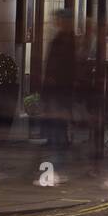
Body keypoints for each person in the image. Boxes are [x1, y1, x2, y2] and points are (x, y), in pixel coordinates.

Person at [42, 9, 76, 152]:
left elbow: (67, 62)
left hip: (62, 82)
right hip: (57, 81)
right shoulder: (61, 37)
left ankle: (61, 139)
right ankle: (55, 138)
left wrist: (55, 76)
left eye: (59, 20)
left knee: (60, 110)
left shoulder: (67, 39)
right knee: (55, 110)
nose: (57, 22)